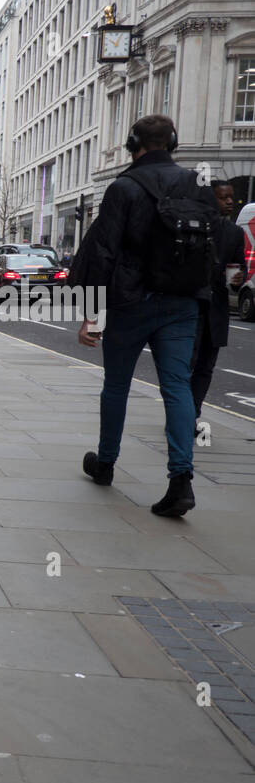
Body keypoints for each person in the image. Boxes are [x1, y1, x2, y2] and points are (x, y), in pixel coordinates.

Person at [73, 114, 220, 517]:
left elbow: (103, 253)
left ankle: (105, 464)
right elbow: (213, 246)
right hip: (183, 302)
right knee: (176, 387)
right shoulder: (198, 183)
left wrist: (93, 316)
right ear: (172, 143)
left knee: (117, 385)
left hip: (130, 302)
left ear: (133, 144)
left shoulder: (123, 187)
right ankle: (181, 481)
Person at [191, 180, 247, 431]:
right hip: (191, 306)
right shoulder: (193, 226)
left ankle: (192, 414)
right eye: (223, 197)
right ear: (210, 199)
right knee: (184, 365)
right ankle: (181, 415)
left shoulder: (235, 233)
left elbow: (237, 269)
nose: (229, 202)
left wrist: (238, 279)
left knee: (205, 367)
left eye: (231, 197)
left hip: (217, 309)